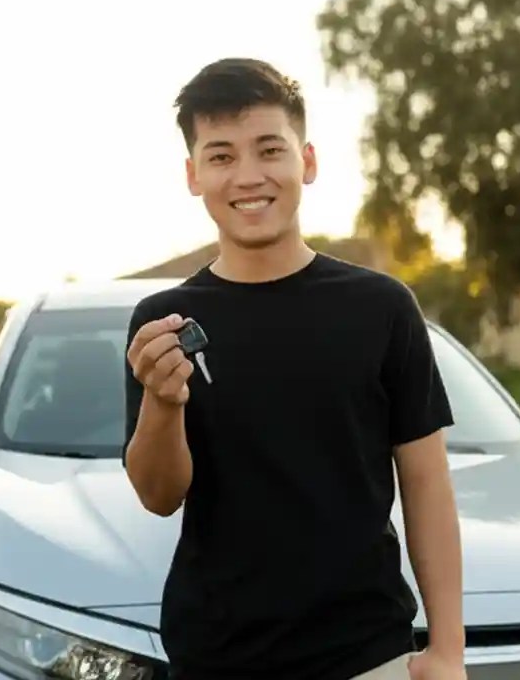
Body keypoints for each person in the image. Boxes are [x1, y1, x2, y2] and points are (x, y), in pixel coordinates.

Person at [122, 57, 466, 680]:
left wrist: (448, 650)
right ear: (194, 175)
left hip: (368, 656)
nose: (248, 175)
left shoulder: (382, 307)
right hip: (216, 658)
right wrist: (163, 402)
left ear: (306, 160)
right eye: (221, 156)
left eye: (269, 149)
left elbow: (426, 483)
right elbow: (158, 496)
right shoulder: (163, 323)